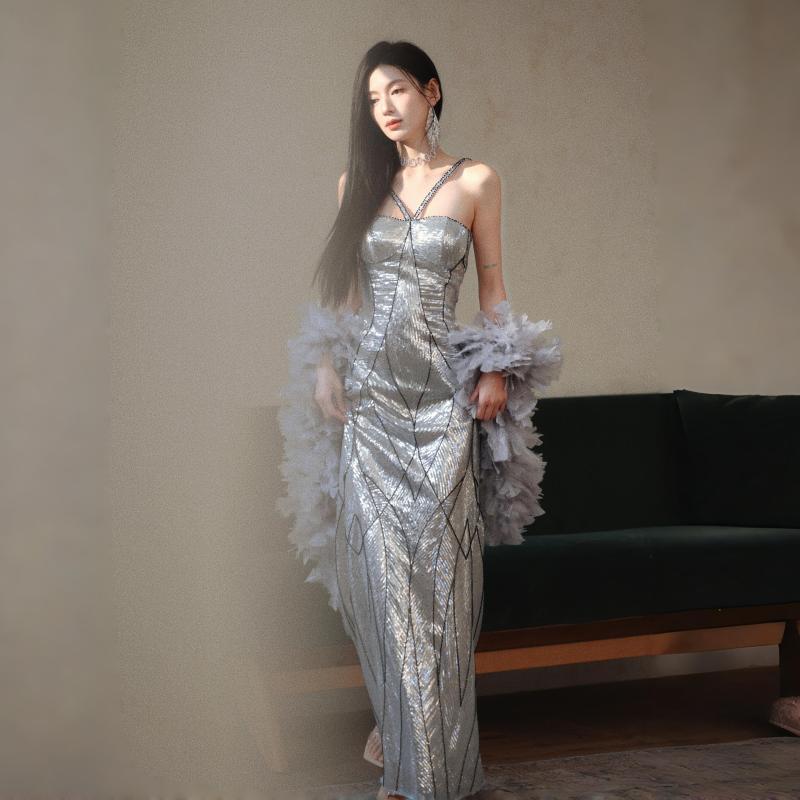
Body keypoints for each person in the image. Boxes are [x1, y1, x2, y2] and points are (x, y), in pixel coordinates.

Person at [277, 40, 562, 800]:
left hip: (443, 405)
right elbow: (346, 293)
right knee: (379, 585)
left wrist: (497, 365)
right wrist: (327, 365)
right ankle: (405, 759)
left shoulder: (475, 180)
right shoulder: (358, 185)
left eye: (398, 90)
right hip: (369, 405)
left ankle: (433, 770)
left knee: (441, 586)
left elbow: (493, 285)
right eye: (374, 99)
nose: (386, 108)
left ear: (431, 91)